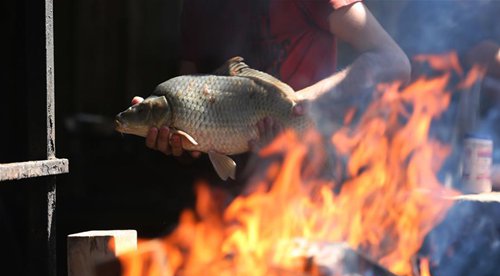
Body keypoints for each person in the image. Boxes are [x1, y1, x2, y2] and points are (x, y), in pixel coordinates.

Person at [133, 0, 411, 160]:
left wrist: (300, 104)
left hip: (312, 183)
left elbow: (392, 61)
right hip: (234, 207)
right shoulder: (197, 9)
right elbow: (189, 96)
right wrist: (179, 140)